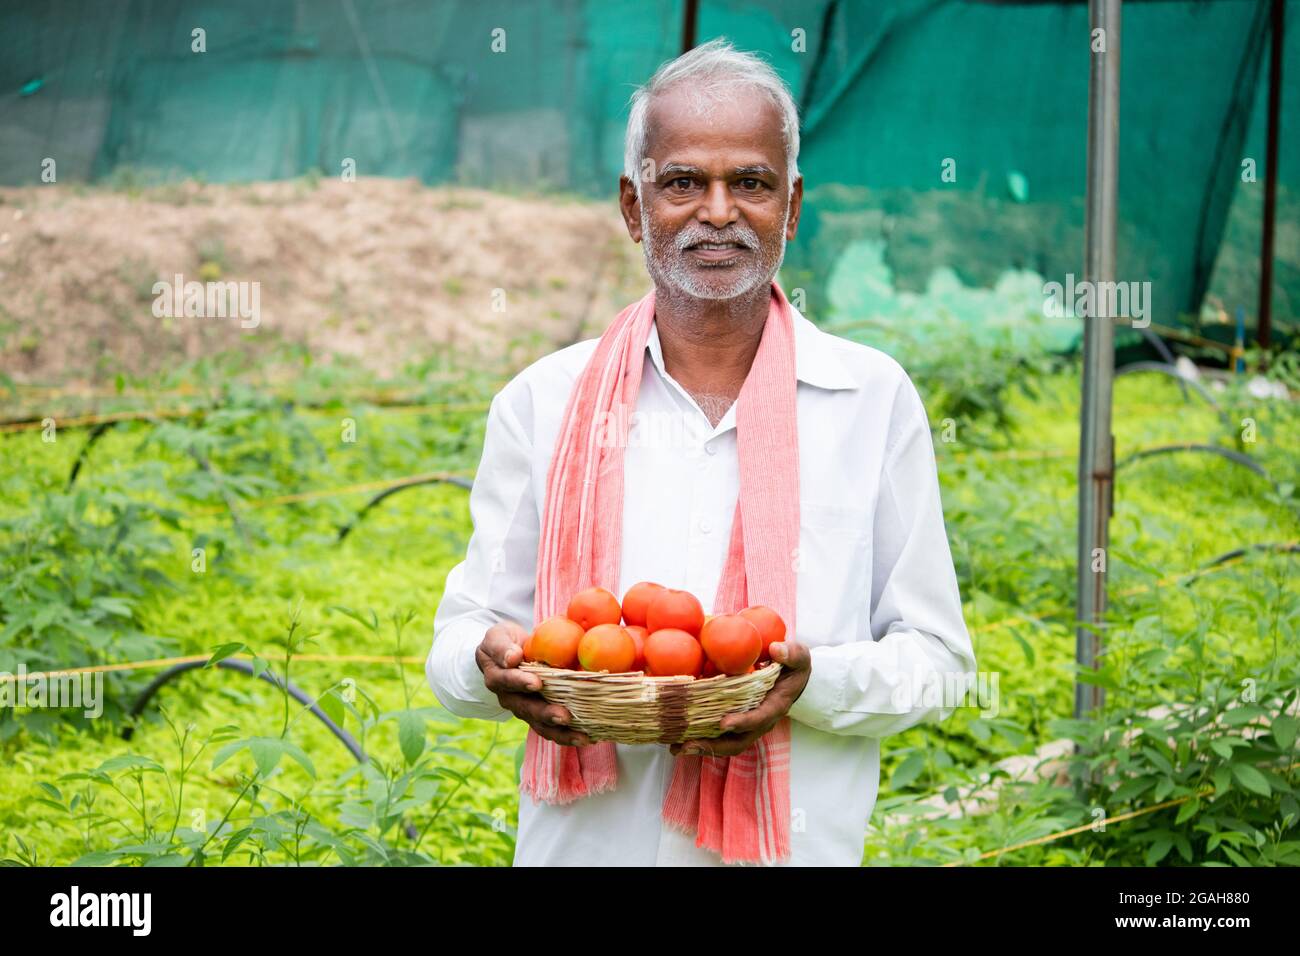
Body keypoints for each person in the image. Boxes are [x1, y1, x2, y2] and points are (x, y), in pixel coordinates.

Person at [426, 37, 976, 866]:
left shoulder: (870, 400)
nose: (718, 211)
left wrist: (812, 684)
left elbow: (936, 662)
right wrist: (489, 663)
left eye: (749, 183)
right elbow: (462, 635)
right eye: (683, 181)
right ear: (633, 206)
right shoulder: (544, 402)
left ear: (790, 208)